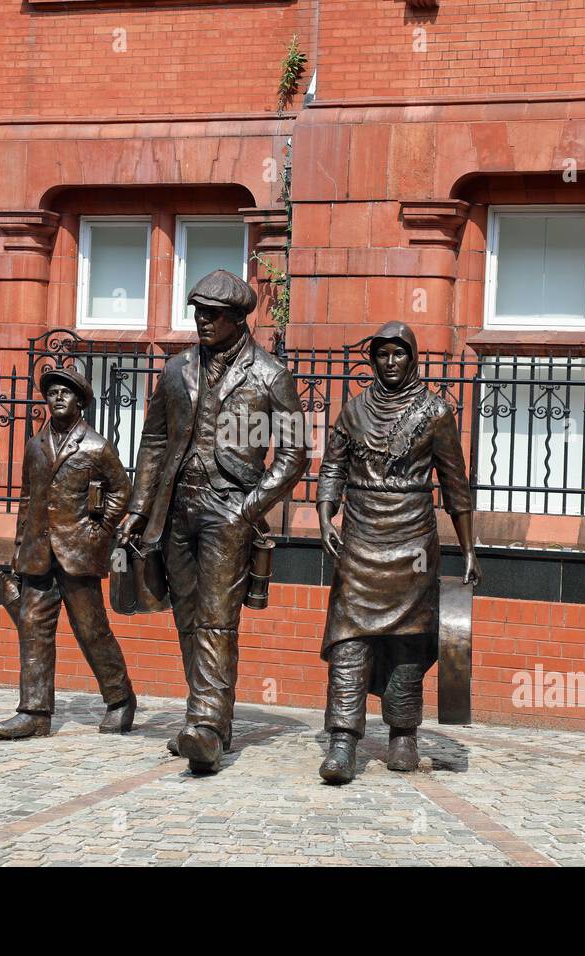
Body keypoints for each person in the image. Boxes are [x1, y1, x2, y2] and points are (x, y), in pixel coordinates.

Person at [118, 269, 307, 773]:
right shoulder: (177, 370)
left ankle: (204, 725)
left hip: (230, 507)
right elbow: (155, 441)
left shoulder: (271, 375)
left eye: (213, 314)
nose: (202, 321)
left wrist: (249, 509)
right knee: (187, 616)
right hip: (177, 507)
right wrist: (139, 508)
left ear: (238, 318)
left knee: (217, 620)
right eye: (198, 312)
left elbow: (294, 455)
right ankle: (207, 721)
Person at [315, 321, 481, 784]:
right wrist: (327, 513)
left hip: (412, 538)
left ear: (412, 358)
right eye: (382, 354)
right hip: (361, 534)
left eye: (398, 354)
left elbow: (455, 484)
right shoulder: (353, 410)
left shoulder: (434, 413)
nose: (389, 362)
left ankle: (403, 733)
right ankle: (342, 741)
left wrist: (469, 548)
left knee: (409, 637)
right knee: (350, 636)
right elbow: (333, 465)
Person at [0, 366, 137, 739]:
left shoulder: (96, 446)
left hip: (79, 555)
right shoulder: (35, 446)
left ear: (81, 402)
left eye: (66, 392)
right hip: (38, 554)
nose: (57, 397)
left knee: (91, 630)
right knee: (33, 626)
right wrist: (17, 554)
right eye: (53, 391)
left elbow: (123, 490)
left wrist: (99, 530)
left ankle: (120, 699)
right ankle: (34, 712)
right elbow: (28, 502)